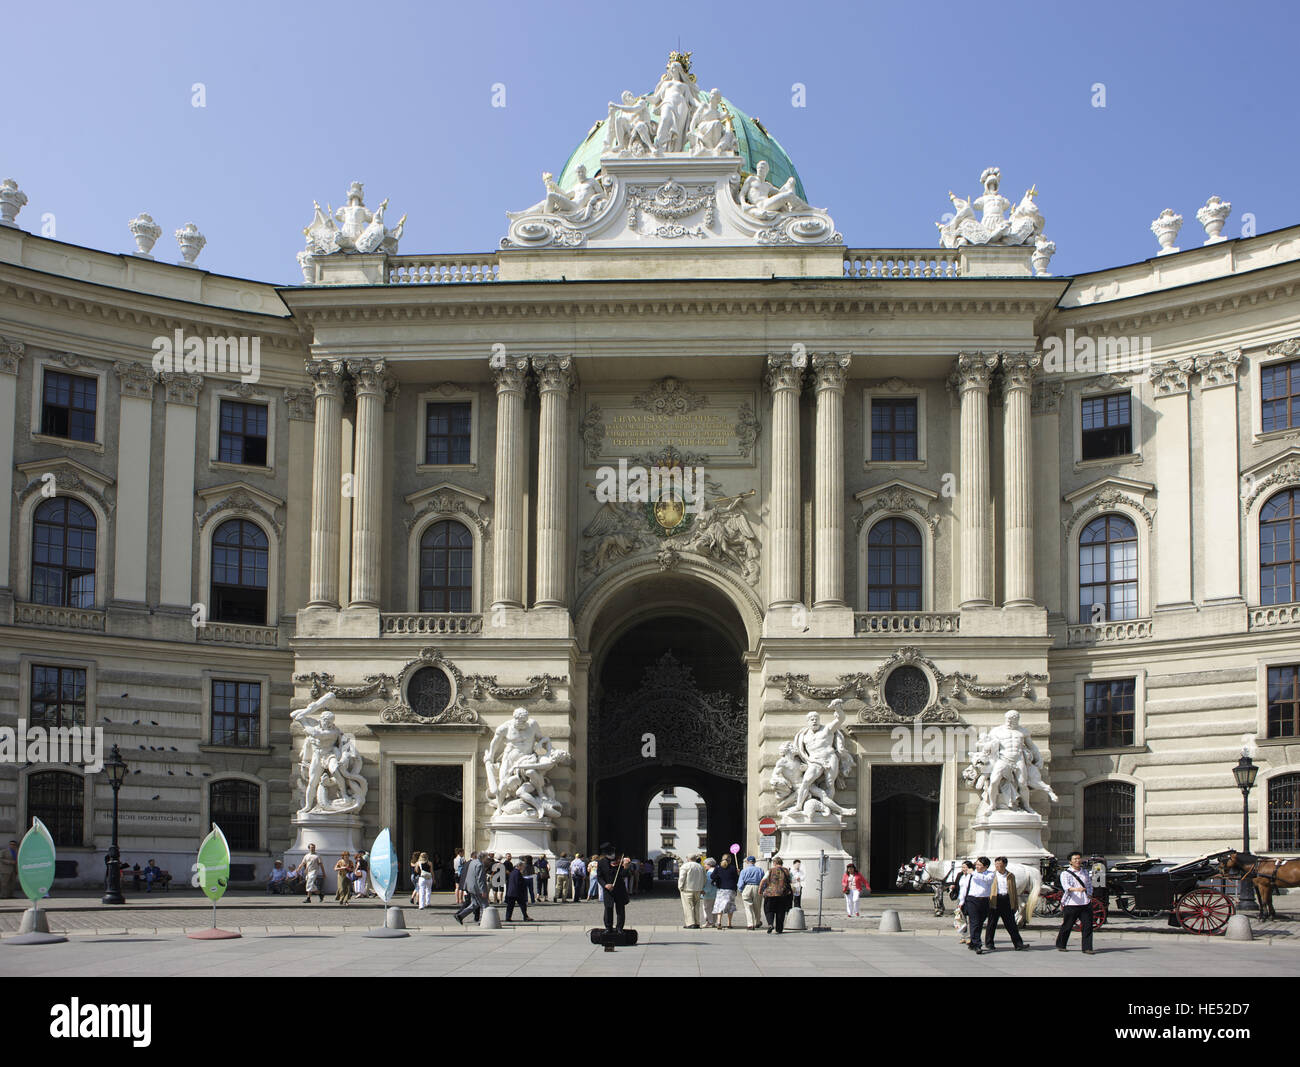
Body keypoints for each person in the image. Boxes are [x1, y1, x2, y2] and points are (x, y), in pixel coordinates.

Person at [1056, 850, 1096, 955]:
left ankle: (1087, 947)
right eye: (1075, 859)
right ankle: (1061, 944)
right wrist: (1076, 889)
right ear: (1070, 861)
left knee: (1088, 925)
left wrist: (1090, 894)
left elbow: (1089, 885)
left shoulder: (1085, 872)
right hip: (1071, 903)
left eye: (1079, 858)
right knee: (1067, 925)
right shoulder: (1065, 873)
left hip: (1085, 902)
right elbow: (1066, 887)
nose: (1078, 861)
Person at [986, 856, 1026, 950]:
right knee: (992, 923)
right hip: (995, 899)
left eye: (999, 864)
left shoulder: (1010, 876)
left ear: (1004, 865)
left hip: (1007, 900)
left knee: (1011, 924)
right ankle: (989, 943)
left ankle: (1018, 944)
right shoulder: (992, 875)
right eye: (996, 864)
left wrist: (1015, 904)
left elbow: (1014, 891)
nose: (997, 866)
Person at [959, 856, 995, 953]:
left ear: (986, 866)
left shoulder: (990, 874)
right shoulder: (970, 875)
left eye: (980, 865)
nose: (977, 866)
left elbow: (986, 880)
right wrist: (961, 901)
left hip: (984, 900)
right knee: (974, 921)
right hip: (972, 900)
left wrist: (974, 873)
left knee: (980, 922)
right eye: (977, 864)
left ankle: (972, 942)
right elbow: (964, 888)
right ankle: (977, 944)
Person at [596, 845, 631, 933]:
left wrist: (626, 867)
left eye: (613, 853)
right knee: (608, 908)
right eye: (610, 853)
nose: (612, 855)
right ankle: (608, 927)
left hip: (619, 888)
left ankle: (619, 928)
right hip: (608, 889)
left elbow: (624, 875)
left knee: (620, 909)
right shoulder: (601, 862)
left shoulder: (619, 862)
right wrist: (605, 885)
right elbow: (599, 877)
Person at [759, 856, 794, 934]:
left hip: (770, 893)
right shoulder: (787, 871)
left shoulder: (770, 870)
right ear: (781, 863)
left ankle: (770, 924)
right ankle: (779, 928)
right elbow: (792, 881)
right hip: (783, 894)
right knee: (781, 911)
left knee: (769, 909)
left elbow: (763, 880)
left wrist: (760, 890)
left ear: (774, 863)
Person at [455, 851, 488, 924]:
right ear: (483, 857)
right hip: (477, 888)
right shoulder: (480, 864)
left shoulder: (472, 862)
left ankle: (460, 916)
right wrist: (483, 891)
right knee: (485, 905)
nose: (487, 859)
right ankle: (483, 921)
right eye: (486, 857)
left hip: (470, 887)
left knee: (474, 904)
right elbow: (480, 879)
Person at [677, 854, 706, 928]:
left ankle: (690, 923)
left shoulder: (685, 866)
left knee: (688, 906)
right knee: (696, 906)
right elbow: (704, 878)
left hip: (687, 889)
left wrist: (680, 887)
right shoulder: (700, 866)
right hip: (698, 889)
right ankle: (697, 922)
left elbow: (682, 878)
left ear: (688, 858)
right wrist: (702, 887)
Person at [712, 855, 739, 929]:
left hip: (721, 889)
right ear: (730, 860)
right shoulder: (733, 868)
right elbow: (736, 879)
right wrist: (737, 873)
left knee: (719, 906)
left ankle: (719, 922)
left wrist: (718, 878)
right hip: (730, 889)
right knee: (730, 906)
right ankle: (729, 924)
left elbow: (712, 876)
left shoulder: (718, 867)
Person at [737, 855, 764, 930]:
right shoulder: (760, 870)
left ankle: (750, 924)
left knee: (748, 907)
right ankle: (757, 922)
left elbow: (740, 883)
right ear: (754, 862)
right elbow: (763, 881)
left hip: (747, 887)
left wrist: (741, 890)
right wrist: (762, 889)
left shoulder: (744, 870)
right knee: (757, 906)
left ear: (747, 862)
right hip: (757, 887)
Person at [955, 860, 975, 943]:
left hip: (968, 899)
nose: (963, 869)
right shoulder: (960, 875)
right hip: (960, 899)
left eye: (965, 867)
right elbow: (957, 885)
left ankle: (970, 936)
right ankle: (963, 936)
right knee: (961, 918)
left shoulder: (972, 876)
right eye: (962, 867)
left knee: (970, 918)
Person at [701, 858, 719, 926]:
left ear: (709, 865)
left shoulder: (709, 873)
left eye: (705, 864)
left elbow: (708, 883)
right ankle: (713, 922)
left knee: (707, 908)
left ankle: (709, 922)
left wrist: (704, 891)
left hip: (709, 894)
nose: (704, 866)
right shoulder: (717, 871)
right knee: (714, 908)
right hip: (716, 893)